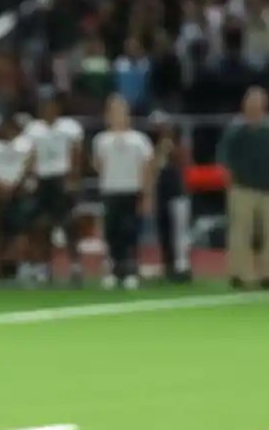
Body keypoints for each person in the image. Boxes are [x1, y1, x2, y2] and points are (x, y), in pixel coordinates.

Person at [218, 87, 269, 290]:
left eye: (259, 103)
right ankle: (241, 273)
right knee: (241, 232)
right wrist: (229, 181)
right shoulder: (235, 128)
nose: (255, 107)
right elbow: (224, 158)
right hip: (243, 187)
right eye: (252, 102)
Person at [91, 96, 154, 290]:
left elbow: (146, 167)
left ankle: (130, 271)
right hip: (110, 191)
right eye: (113, 112)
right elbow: (97, 165)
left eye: (120, 111)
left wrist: (146, 194)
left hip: (131, 190)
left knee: (130, 233)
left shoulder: (139, 140)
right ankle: (114, 270)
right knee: (112, 233)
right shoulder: (101, 140)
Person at [22, 91, 85, 282]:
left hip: (61, 177)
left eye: (50, 105)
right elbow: (30, 154)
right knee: (40, 225)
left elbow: (76, 153)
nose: (47, 109)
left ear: (57, 108)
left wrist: (73, 179)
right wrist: (29, 178)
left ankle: (75, 265)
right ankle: (44, 266)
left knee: (68, 224)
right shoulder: (33, 129)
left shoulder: (69, 127)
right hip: (42, 179)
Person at [0, 115, 34, 281]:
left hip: (18, 194)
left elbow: (29, 164)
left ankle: (18, 267)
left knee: (19, 232)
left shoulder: (24, 145)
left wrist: (15, 186)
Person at [148, 111, 192, 282]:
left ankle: (182, 267)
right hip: (162, 195)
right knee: (164, 231)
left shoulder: (177, 147)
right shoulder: (153, 148)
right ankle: (168, 265)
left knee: (179, 233)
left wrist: (168, 148)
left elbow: (182, 163)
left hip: (177, 195)